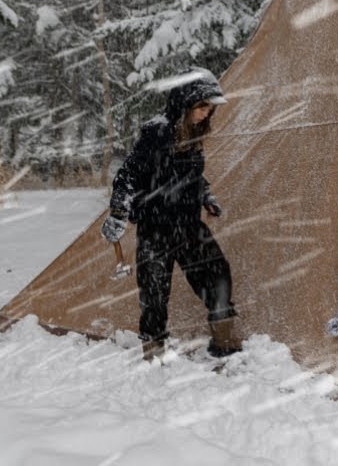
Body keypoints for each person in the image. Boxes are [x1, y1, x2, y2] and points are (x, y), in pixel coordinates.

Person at [101, 67, 241, 361]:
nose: (206, 113)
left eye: (209, 108)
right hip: (156, 230)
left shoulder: (192, 134)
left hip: (189, 227)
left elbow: (189, 175)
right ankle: (153, 354)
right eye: (202, 106)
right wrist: (117, 213)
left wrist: (205, 196)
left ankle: (225, 345)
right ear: (185, 102)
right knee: (154, 297)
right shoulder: (156, 133)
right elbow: (128, 176)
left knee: (218, 276)